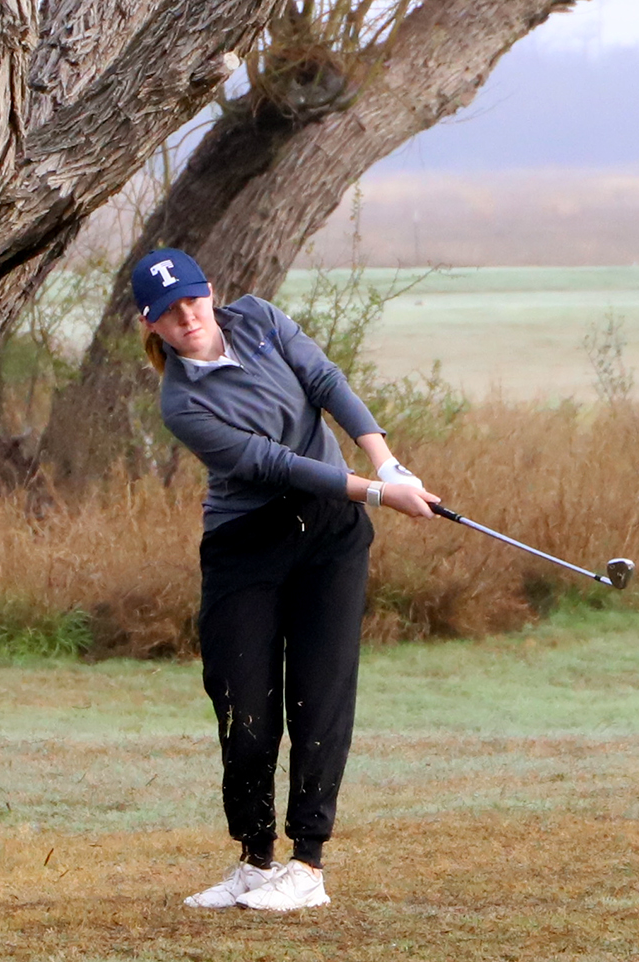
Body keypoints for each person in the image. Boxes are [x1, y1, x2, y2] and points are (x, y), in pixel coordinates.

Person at [132, 247, 441, 913]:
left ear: (209, 291)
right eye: (169, 312)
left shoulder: (261, 320)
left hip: (330, 533)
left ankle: (308, 863)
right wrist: (378, 495)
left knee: (319, 692)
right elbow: (271, 462)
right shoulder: (181, 403)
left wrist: (387, 465)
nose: (187, 316)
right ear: (150, 323)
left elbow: (326, 383)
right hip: (246, 543)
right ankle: (254, 858)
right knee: (241, 704)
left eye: (192, 300)